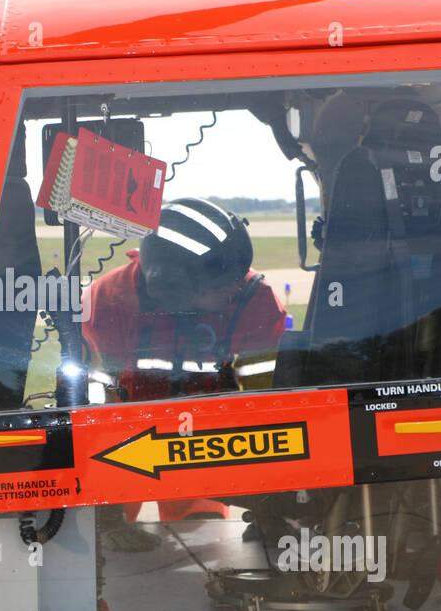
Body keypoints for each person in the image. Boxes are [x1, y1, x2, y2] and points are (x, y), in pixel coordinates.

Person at [81, 197, 287, 539]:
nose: (236, 288)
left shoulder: (253, 300)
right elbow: (93, 413)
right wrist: (108, 517)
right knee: (104, 538)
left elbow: (270, 411)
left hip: (207, 440)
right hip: (123, 438)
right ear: (170, 287)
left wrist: (272, 505)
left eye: (237, 278)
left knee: (203, 531)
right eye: (223, 286)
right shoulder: (106, 302)